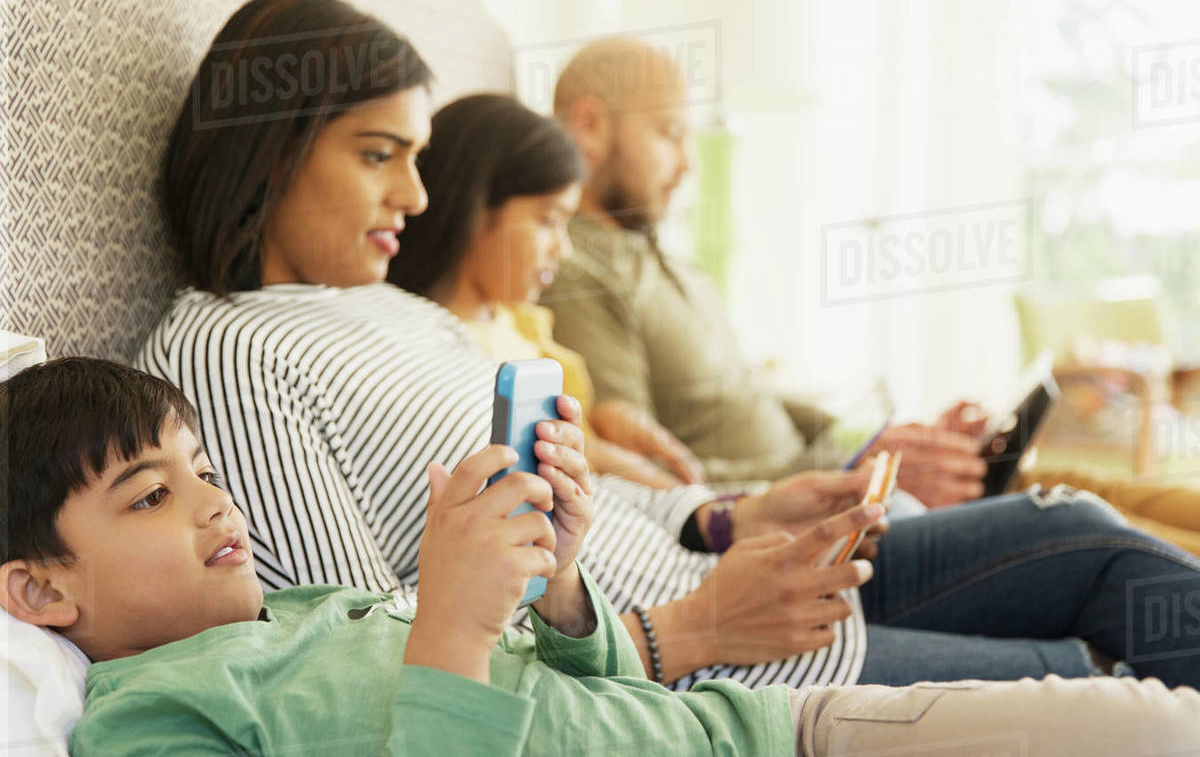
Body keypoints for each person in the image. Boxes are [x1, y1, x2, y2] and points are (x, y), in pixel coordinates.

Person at [138, 0, 1200, 690]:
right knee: (1089, 670)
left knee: (1085, 529)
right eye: (380, 154)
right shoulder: (229, 356)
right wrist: (685, 627)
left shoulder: (401, 310)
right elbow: (376, 651)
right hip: (685, 654)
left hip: (718, 574)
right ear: (269, 151)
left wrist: (735, 512)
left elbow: (581, 486)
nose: (415, 194)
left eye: (418, 156)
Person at [5, 358, 1200, 756]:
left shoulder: (301, 611)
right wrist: (454, 630)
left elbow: (563, 696)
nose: (215, 502)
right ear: (38, 587)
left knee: (1144, 710)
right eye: (153, 492)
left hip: (757, 722)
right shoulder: (148, 716)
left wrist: (563, 588)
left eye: (204, 468)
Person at [543, 38, 990, 505]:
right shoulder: (575, 274)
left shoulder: (673, 265)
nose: (688, 166)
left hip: (822, 489)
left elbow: (748, 401)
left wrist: (882, 444)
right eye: (670, 133)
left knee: (1009, 487)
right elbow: (641, 481)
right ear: (589, 126)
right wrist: (849, 474)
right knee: (1060, 523)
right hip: (788, 521)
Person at [389, 92, 704, 490]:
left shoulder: (518, 322)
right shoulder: (440, 351)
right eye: (547, 221)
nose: (564, 249)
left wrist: (604, 423)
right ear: (472, 207)